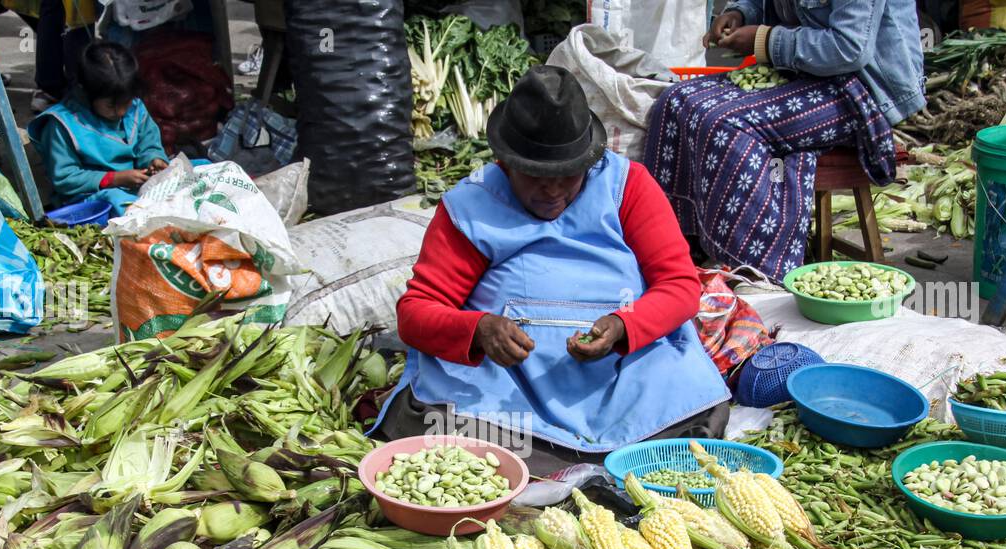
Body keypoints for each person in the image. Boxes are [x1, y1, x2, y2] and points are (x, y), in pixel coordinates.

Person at [375, 66, 731, 477]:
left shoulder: (628, 186)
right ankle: (589, 467)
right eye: (537, 176)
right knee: (435, 421)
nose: (554, 191)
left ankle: (562, 467)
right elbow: (416, 312)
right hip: (509, 385)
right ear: (505, 163)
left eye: (569, 175)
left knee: (695, 408)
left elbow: (680, 286)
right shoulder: (470, 206)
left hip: (623, 375)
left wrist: (622, 326)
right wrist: (480, 330)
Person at [644, 0, 926, 281]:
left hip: (860, 89)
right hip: (802, 69)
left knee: (727, 125)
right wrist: (740, 13)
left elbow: (849, 48)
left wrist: (763, 40)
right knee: (674, 100)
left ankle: (749, 270)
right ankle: (678, 247)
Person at [27, 40, 168, 214]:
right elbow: (65, 177)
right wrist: (114, 179)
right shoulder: (62, 124)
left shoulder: (135, 108)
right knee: (123, 204)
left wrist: (154, 159)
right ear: (87, 92)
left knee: (201, 168)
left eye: (127, 102)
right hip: (91, 197)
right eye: (111, 106)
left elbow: (149, 143)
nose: (122, 111)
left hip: (136, 187)